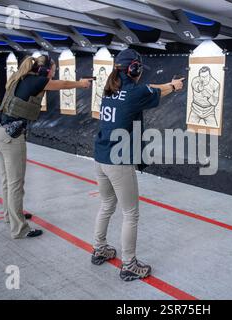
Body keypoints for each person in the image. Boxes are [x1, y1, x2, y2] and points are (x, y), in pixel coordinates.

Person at [91, 49, 184, 281]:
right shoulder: (133, 92)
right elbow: (153, 91)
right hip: (119, 162)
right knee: (131, 213)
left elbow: (149, 88)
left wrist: (167, 84)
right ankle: (129, 264)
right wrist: (173, 86)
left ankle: (99, 248)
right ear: (134, 69)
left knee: (106, 205)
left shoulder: (109, 90)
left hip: (101, 158)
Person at [0, 54, 92, 239]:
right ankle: (20, 229)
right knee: (16, 183)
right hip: (12, 137)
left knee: (7, 181)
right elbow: (61, 85)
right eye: (52, 71)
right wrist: (81, 84)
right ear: (45, 71)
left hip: (0, 132)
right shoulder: (37, 81)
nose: (53, 76)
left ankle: (12, 215)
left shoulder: (20, 78)